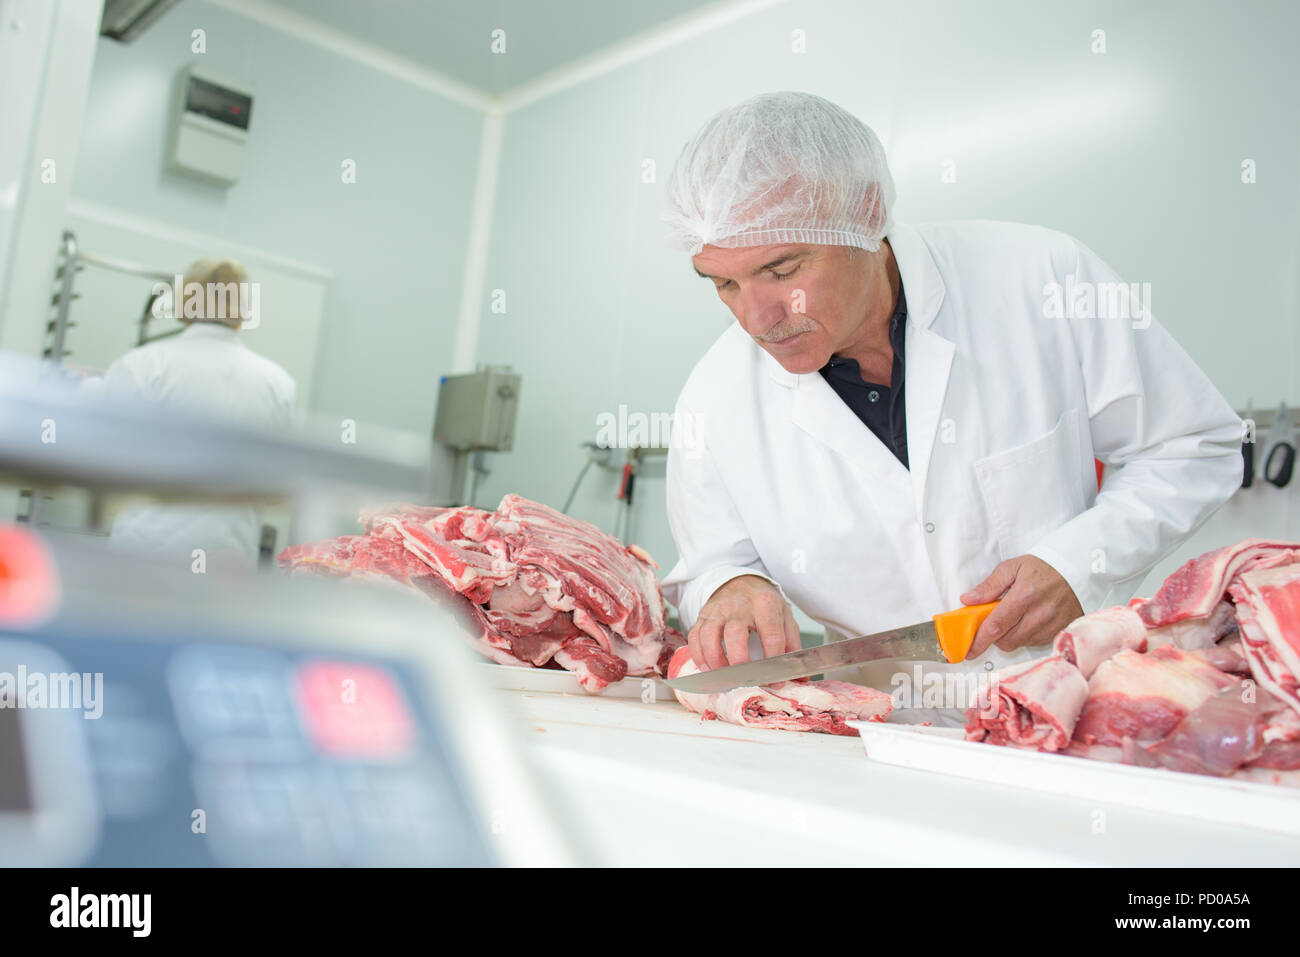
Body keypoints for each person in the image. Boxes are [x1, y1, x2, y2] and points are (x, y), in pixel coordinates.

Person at [659, 92, 1241, 724]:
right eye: (723, 283)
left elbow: (1191, 446)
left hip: (1080, 710)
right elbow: (712, 563)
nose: (756, 317)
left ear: (867, 214)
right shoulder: (714, 397)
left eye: (782, 268)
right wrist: (731, 588)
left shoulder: (1041, 278)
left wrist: (1078, 564)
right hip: (880, 738)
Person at [102, 258, 296, 570]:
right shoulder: (278, 383)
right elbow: (276, 485)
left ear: (183, 304)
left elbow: (101, 458)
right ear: (242, 310)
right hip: (228, 561)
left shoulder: (144, 365)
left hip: (145, 556)